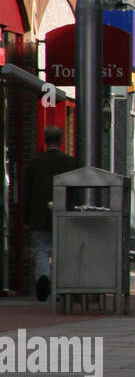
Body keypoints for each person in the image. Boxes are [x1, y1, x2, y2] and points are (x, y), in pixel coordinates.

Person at [21, 125, 77, 302]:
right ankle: (59, 287)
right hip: (63, 214)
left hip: (39, 215)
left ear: (45, 141)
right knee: (62, 250)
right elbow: (74, 191)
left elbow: (27, 192)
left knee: (41, 250)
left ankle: (43, 277)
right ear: (61, 141)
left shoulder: (34, 163)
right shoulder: (70, 163)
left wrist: (26, 216)